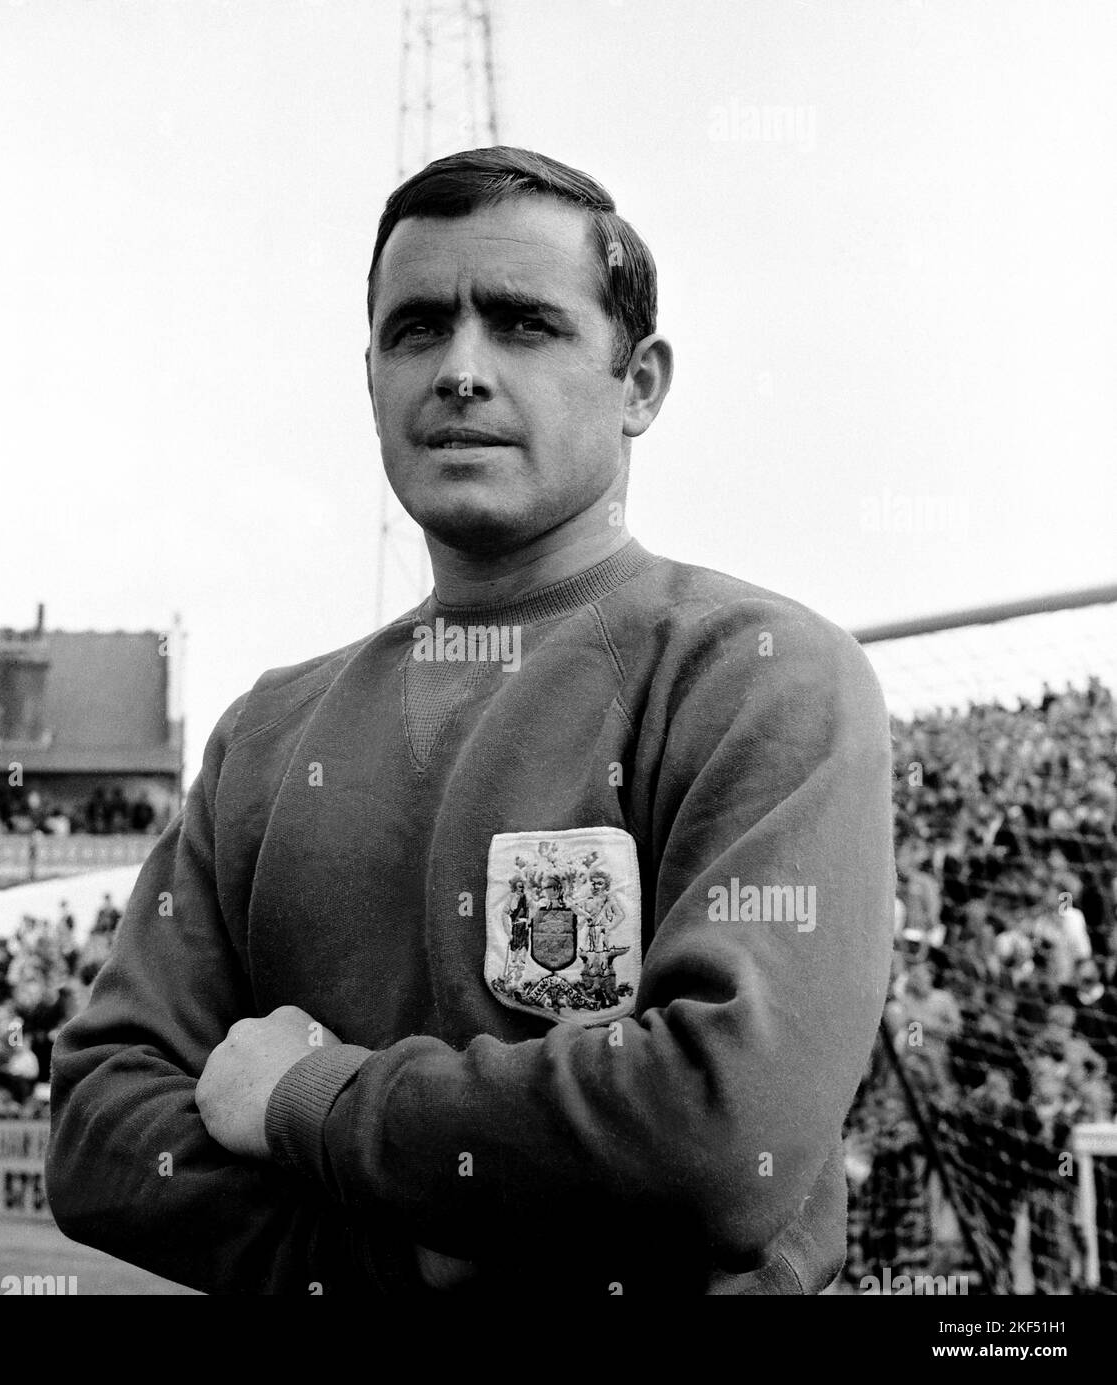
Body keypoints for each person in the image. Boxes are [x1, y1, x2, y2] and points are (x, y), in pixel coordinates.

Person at [47, 146, 895, 1295]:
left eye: (522, 324)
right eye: (415, 329)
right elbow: (101, 1127)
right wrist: (416, 1263)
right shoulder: (269, 731)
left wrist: (313, 1097)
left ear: (638, 382)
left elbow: (710, 1134)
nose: (458, 369)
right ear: (370, 377)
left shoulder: (759, 674)